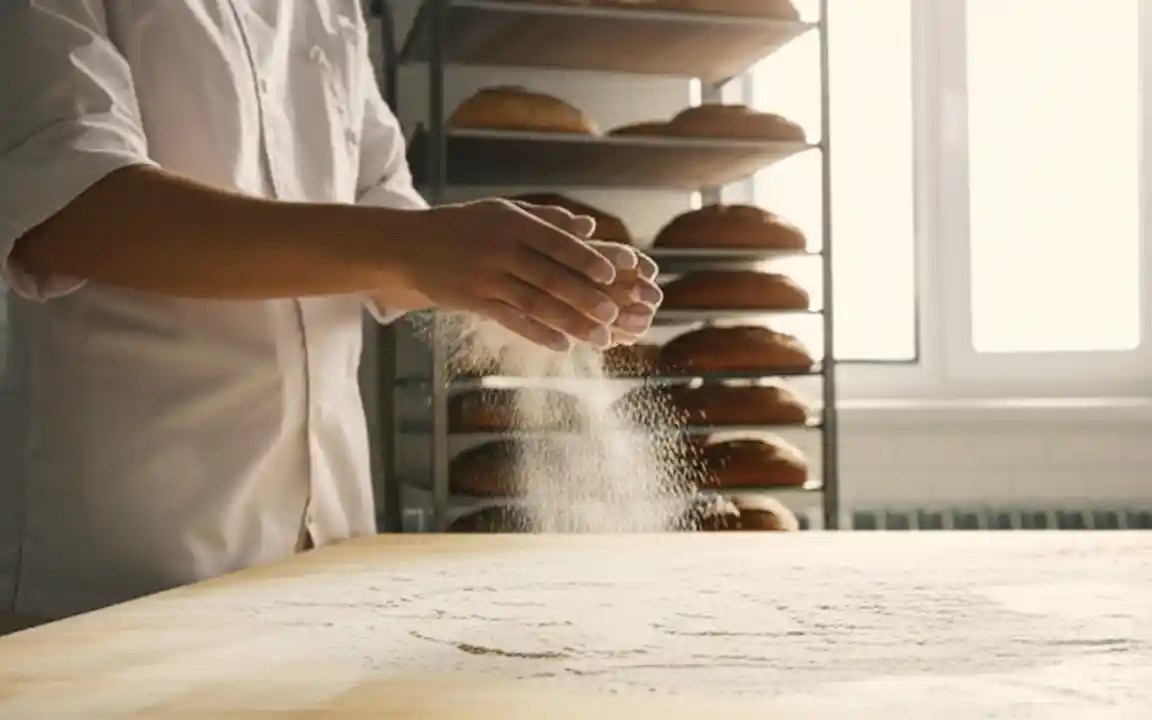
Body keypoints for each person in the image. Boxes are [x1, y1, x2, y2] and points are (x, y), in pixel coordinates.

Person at [0, 0, 662, 629]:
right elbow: (71, 210)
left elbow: (389, 221)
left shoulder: (331, 9)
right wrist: (421, 248)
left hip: (330, 556)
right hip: (130, 561)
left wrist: (528, 272)